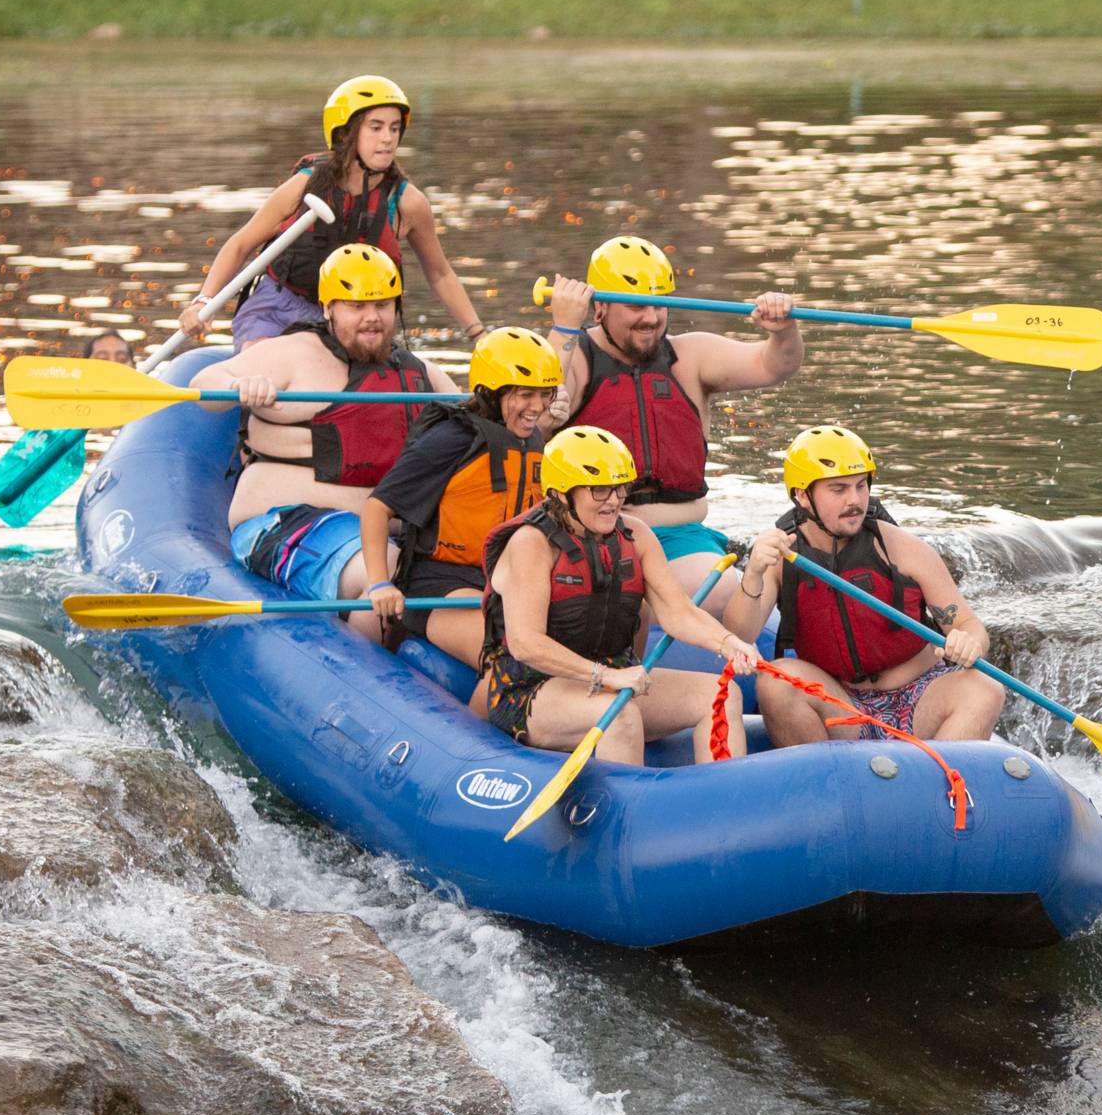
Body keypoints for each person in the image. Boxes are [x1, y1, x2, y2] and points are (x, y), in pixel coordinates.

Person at [198, 244, 457, 641]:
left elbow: (481, 419)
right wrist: (239, 386)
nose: (372, 318)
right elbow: (205, 384)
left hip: (384, 530)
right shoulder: (290, 354)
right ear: (328, 308)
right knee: (388, 571)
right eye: (356, 306)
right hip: (285, 522)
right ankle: (365, 670)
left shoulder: (422, 375)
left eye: (382, 305)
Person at [542, 235, 801, 606]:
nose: (650, 318)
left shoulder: (691, 355)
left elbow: (774, 366)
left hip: (679, 536)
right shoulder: (576, 358)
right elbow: (538, 412)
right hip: (591, 534)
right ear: (600, 307)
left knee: (721, 592)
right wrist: (564, 328)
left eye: (660, 303)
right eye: (637, 306)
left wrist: (784, 330)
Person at [477, 426, 758, 765]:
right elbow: (526, 644)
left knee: (722, 695)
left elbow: (678, 612)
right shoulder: (531, 544)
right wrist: (604, 676)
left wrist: (728, 643)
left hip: (613, 676)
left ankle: (724, 794)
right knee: (620, 715)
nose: (614, 500)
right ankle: (627, 800)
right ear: (561, 494)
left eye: (620, 488)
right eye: (599, 490)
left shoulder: (636, 535)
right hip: (533, 690)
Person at [720, 425, 1001, 748]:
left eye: (860, 485)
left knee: (985, 689)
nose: (854, 500)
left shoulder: (901, 547)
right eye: (838, 489)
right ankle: (828, 777)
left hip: (921, 697)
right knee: (775, 680)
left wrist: (969, 643)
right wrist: (754, 573)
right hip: (843, 705)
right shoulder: (782, 557)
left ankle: (931, 779)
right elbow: (737, 636)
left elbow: (967, 624)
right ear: (802, 495)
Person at [179, 74, 489, 348]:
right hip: (278, 310)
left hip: (353, 324)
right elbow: (241, 244)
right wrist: (204, 301)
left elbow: (440, 273)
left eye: (395, 129)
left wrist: (478, 335)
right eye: (376, 127)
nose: (387, 138)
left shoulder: (408, 202)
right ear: (345, 133)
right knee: (266, 364)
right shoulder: (304, 186)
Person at [354, 327, 564, 669]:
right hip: (441, 583)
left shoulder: (533, 442)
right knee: (510, 654)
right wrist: (379, 583)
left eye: (546, 394)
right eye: (526, 395)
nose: (538, 407)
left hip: (507, 581)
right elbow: (377, 509)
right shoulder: (452, 438)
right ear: (491, 393)